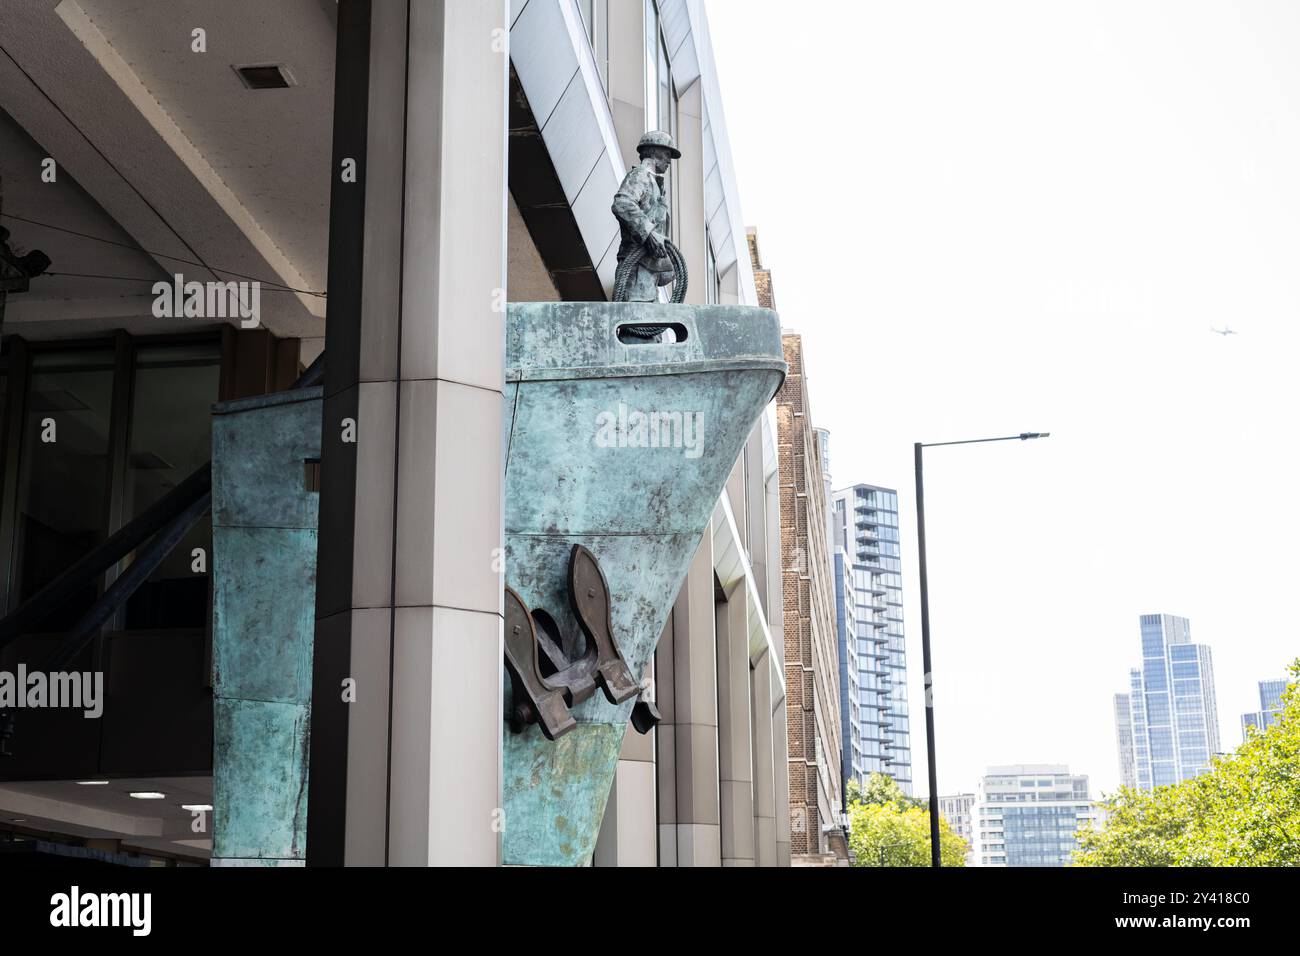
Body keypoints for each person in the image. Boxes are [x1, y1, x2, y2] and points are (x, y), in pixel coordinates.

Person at [610, 130, 680, 302]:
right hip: (636, 271)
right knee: (636, 321)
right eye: (666, 154)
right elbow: (622, 203)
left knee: (650, 321)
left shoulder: (655, 185)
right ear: (653, 153)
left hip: (648, 274)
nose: (669, 160)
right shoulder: (640, 175)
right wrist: (648, 233)